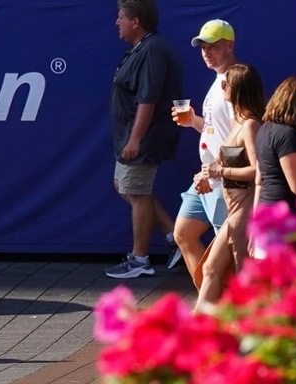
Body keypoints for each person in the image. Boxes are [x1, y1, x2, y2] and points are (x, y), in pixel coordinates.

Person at [104, 0, 184, 280]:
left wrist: (135, 139)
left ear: (136, 21)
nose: (117, 22)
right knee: (125, 186)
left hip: (145, 137)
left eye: (121, 17)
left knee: (137, 193)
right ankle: (177, 236)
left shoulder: (152, 51)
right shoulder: (141, 49)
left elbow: (148, 99)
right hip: (133, 136)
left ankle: (140, 260)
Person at [165, 20, 236, 278]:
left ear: (230, 46)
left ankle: (231, 311)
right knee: (183, 234)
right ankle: (212, 305)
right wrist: (195, 121)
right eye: (203, 47)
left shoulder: (235, 82)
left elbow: (240, 136)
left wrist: (214, 171)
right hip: (208, 176)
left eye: (213, 47)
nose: (206, 52)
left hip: (224, 179)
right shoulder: (218, 80)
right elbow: (217, 130)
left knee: (229, 252)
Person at [195, 63, 264, 313]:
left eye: (228, 84)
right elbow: (225, 160)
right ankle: (199, 323)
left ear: (238, 90)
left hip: (245, 207)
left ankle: (250, 328)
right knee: (211, 268)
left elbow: (258, 171)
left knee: (242, 272)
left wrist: (219, 172)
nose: (223, 87)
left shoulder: (250, 126)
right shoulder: (238, 122)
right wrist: (205, 174)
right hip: (234, 207)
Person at [255, 77, 296, 214]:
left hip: (268, 213)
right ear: (295, 103)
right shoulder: (288, 135)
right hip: (286, 219)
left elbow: (259, 180)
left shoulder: (264, 129)